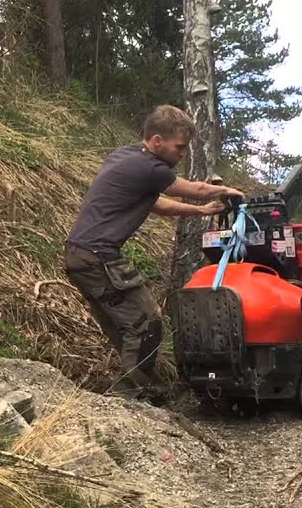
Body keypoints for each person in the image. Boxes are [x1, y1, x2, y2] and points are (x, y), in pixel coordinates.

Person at [63, 105, 245, 403]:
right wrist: (228, 192)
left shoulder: (126, 156)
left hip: (80, 256)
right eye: (180, 147)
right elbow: (195, 188)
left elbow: (158, 205)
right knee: (147, 322)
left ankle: (144, 388)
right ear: (158, 140)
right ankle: (129, 395)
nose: (183, 154)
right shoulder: (150, 168)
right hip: (98, 256)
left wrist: (201, 211)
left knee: (127, 327)